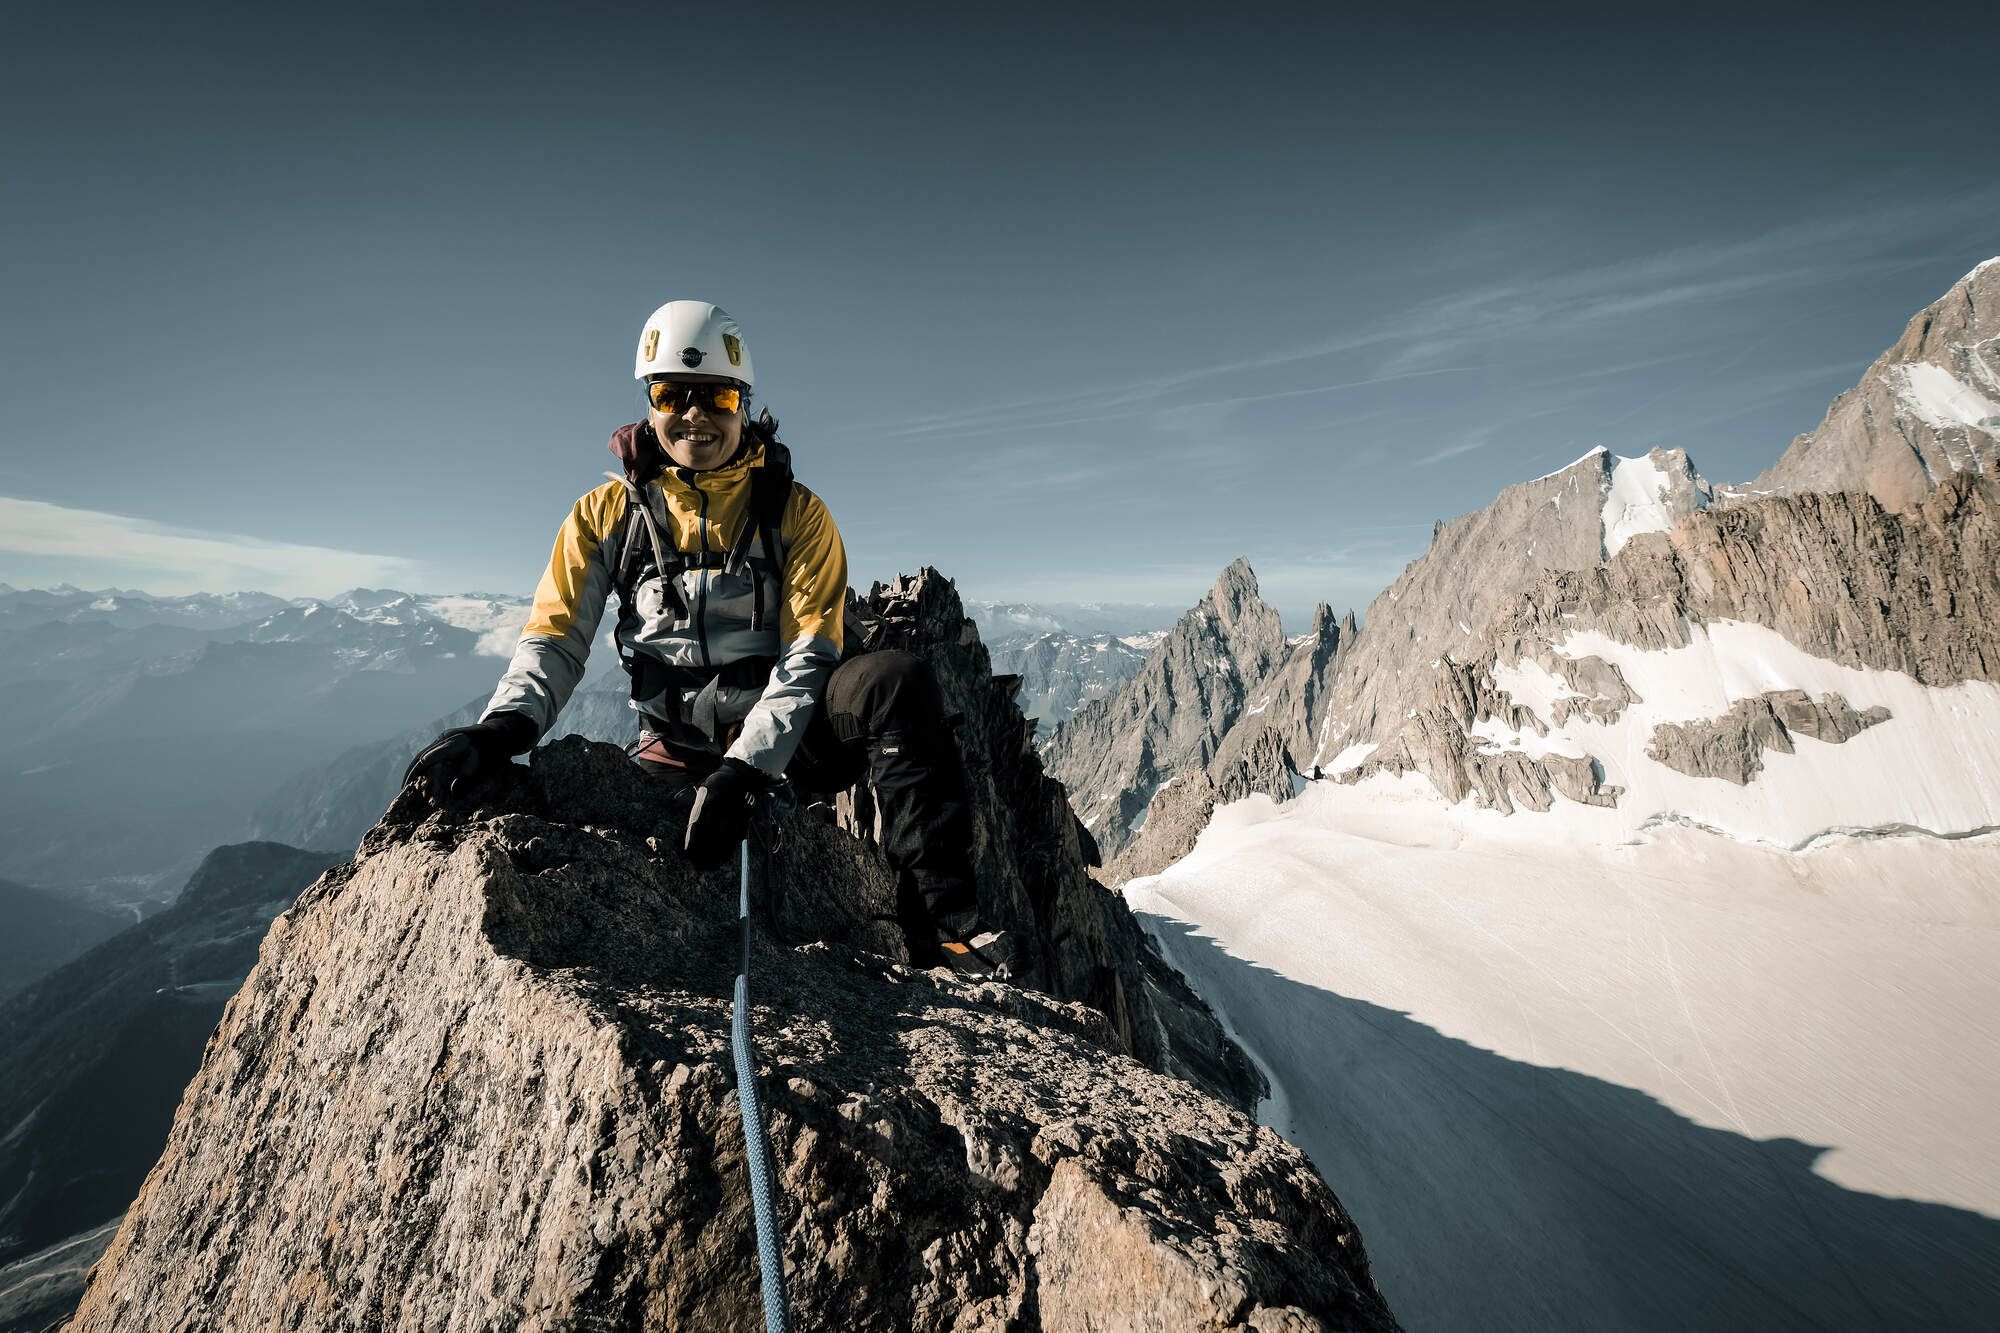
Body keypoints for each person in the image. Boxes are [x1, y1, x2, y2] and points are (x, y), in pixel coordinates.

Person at [403, 301, 1016, 978]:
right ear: (650, 403)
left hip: (787, 747)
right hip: (674, 747)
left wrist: (748, 770)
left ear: (743, 405)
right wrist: (501, 730)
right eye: (674, 395)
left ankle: (940, 930)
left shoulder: (796, 512)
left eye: (717, 396)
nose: (695, 415)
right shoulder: (606, 516)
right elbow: (555, 637)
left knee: (895, 683)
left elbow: (811, 650)